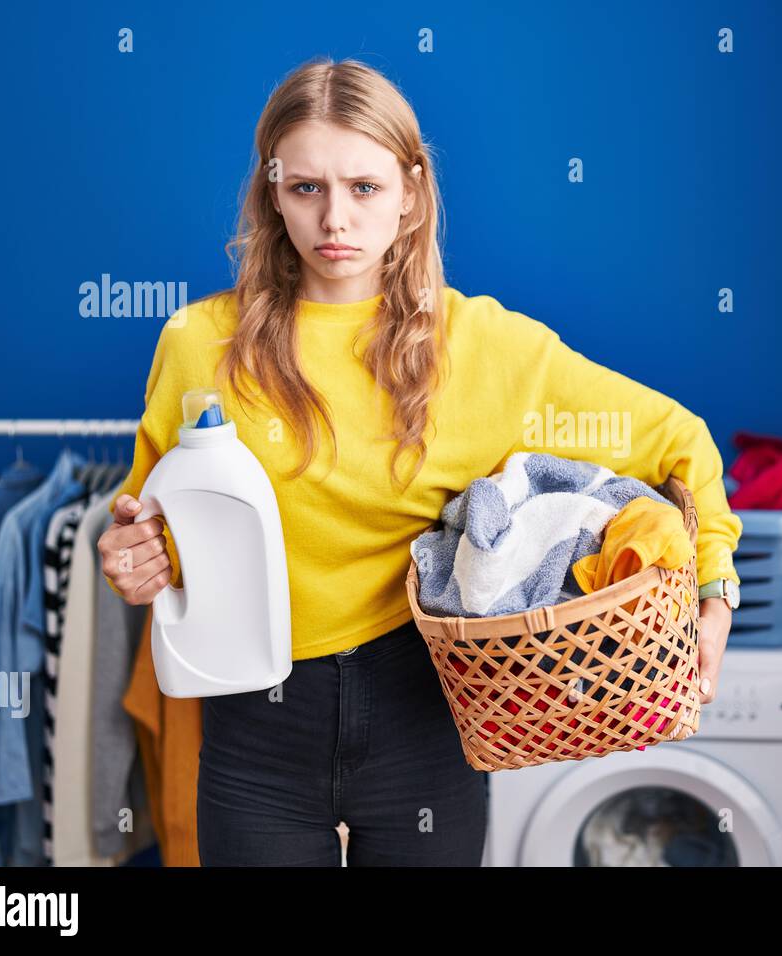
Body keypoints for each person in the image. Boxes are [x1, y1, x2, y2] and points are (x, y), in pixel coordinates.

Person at [98, 56, 742, 867]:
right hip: (253, 730)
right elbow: (144, 526)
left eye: (364, 188)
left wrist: (717, 592)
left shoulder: (484, 348)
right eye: (306, 188)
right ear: (272, 192)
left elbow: (678, 439)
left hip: (425, 722)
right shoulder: (198, 347)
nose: (336, 219)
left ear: (409, 193)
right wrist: (131, 558)